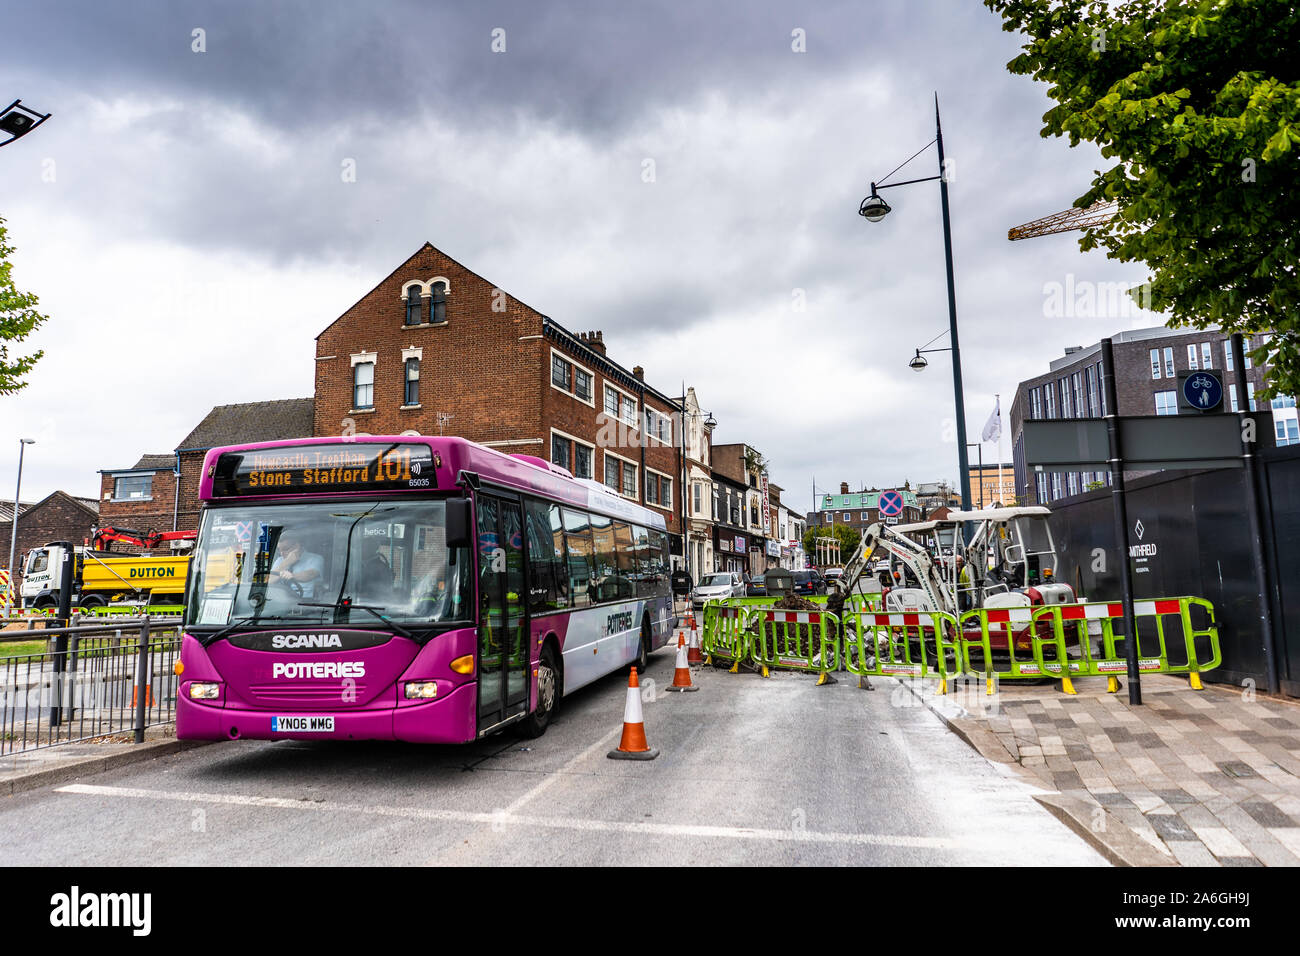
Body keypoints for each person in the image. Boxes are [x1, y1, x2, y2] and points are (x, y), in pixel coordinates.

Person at [271, 532, 325, 599]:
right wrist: (286, 562)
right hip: (280, 600)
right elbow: (268, 580)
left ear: (297, 546)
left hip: (304, 601)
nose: (281, 553)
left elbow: (311, 574)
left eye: (285, 549)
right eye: (279, 550)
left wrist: (292, 576)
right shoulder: (280, 560)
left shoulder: (315, 558)